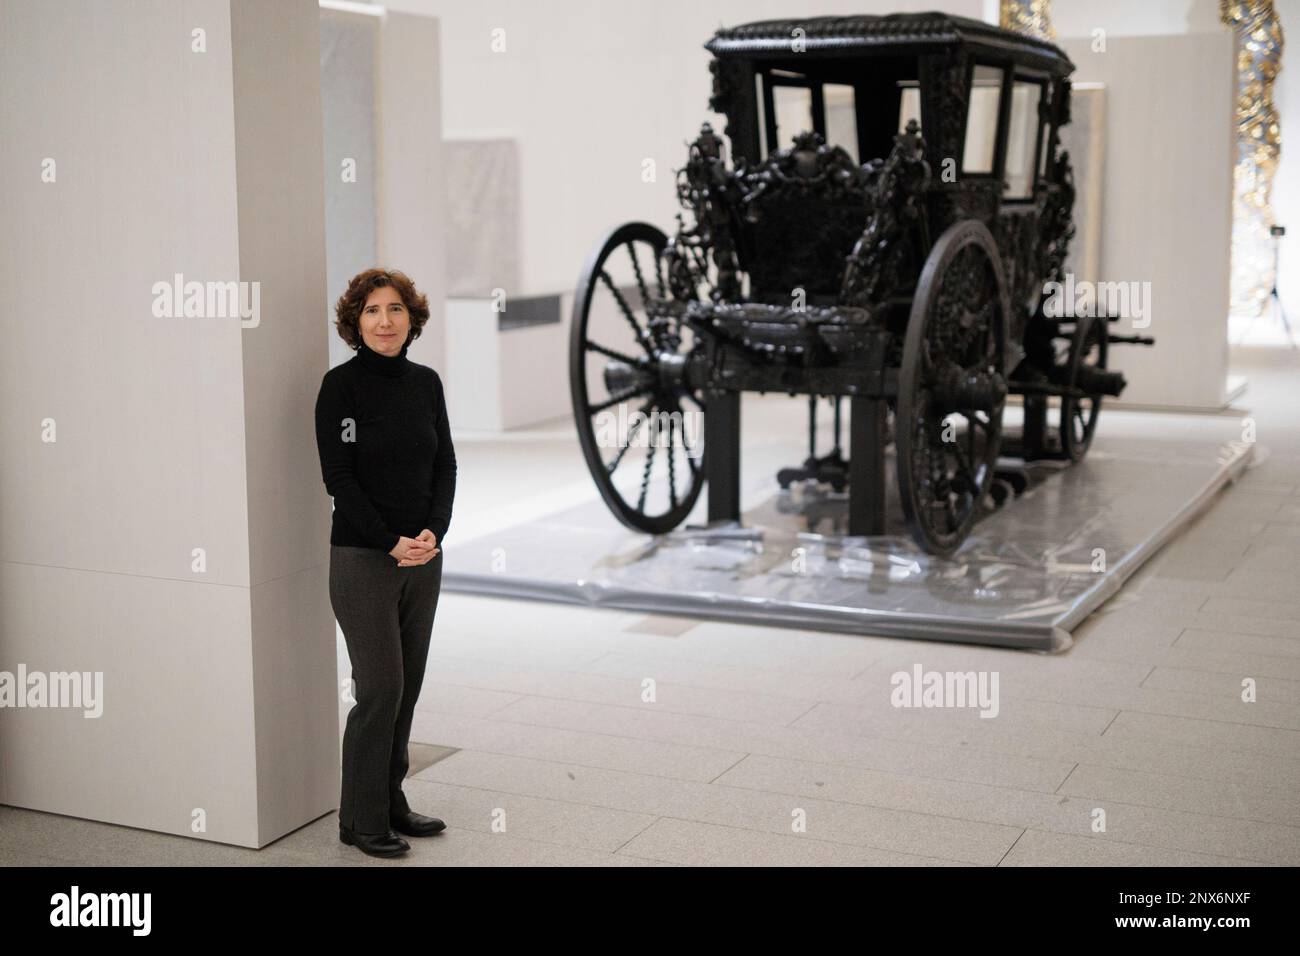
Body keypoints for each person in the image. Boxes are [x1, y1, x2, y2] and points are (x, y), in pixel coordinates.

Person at [313, 268, 456, 858]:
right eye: (372, 310)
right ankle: (360, 818)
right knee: (381, 688)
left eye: (395, 309)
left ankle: (391, 801)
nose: (385, 321)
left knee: (409, 686)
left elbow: (444, 463)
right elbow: (339, 479)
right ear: (355, 321)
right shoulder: (340, 388)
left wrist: (432, 532)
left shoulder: (425, 384)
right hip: (363, 558)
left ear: (411, 319)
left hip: (422, 559)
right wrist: (391, 541)